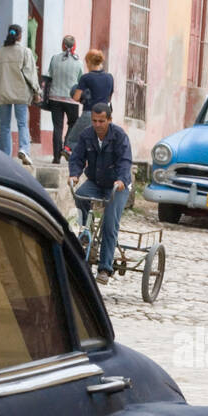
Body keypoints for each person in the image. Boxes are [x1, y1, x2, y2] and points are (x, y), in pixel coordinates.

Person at [68, 102, 132, 285]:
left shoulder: (119, 136)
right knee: (79, 194)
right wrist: (74, 175)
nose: (97, 125)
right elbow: (77, 157)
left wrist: (121, 180)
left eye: (101, 121)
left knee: (110, 224)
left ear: (109, 120)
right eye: (94, 121)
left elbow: (125, 161)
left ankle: (105, 268)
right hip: (96, 182)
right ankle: (86, 230)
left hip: (116, 186)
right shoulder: (86, 135)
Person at [0, 24, 41, 162]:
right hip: (20, 92)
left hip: (3, 92)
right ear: (20, 35)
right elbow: (30, 74)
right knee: (22, 123)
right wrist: (37, 90)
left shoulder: (0, 53)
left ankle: (4, 156)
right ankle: (24, 149)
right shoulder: (25, 52)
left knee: (4, 125)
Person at [46, 35, 84, 164]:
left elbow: (49, 75)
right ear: (74, 46)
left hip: (55, 98)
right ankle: (66, 147)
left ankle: (56, 157)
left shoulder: (55, 59)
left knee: (57, 127)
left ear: (63, 45)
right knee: (73, 123)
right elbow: (81, 80)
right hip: (71, 100)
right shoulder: (78, 63)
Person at [67, 50, 115, 150]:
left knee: (72, 140)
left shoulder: (86, 78)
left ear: (88, 61)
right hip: (105, 115)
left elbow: (76, 97)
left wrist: (83, 97)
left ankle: (74, 155)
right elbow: (109, 97)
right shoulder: (110, 77)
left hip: (89, 113)